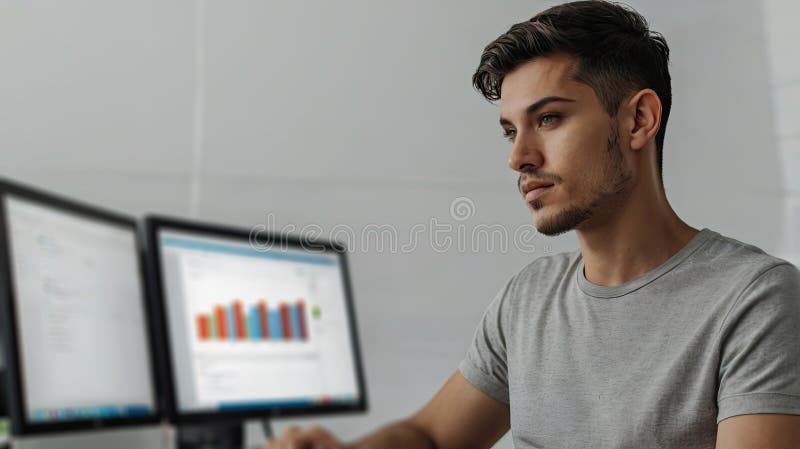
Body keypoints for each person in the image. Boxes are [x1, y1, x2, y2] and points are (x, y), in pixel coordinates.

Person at [264, 1, 800, 448]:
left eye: (549, 119)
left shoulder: (755, 300)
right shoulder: (530, 297)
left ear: (639, 120)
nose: (519, 157)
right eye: (509, 131)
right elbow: (430, 437)